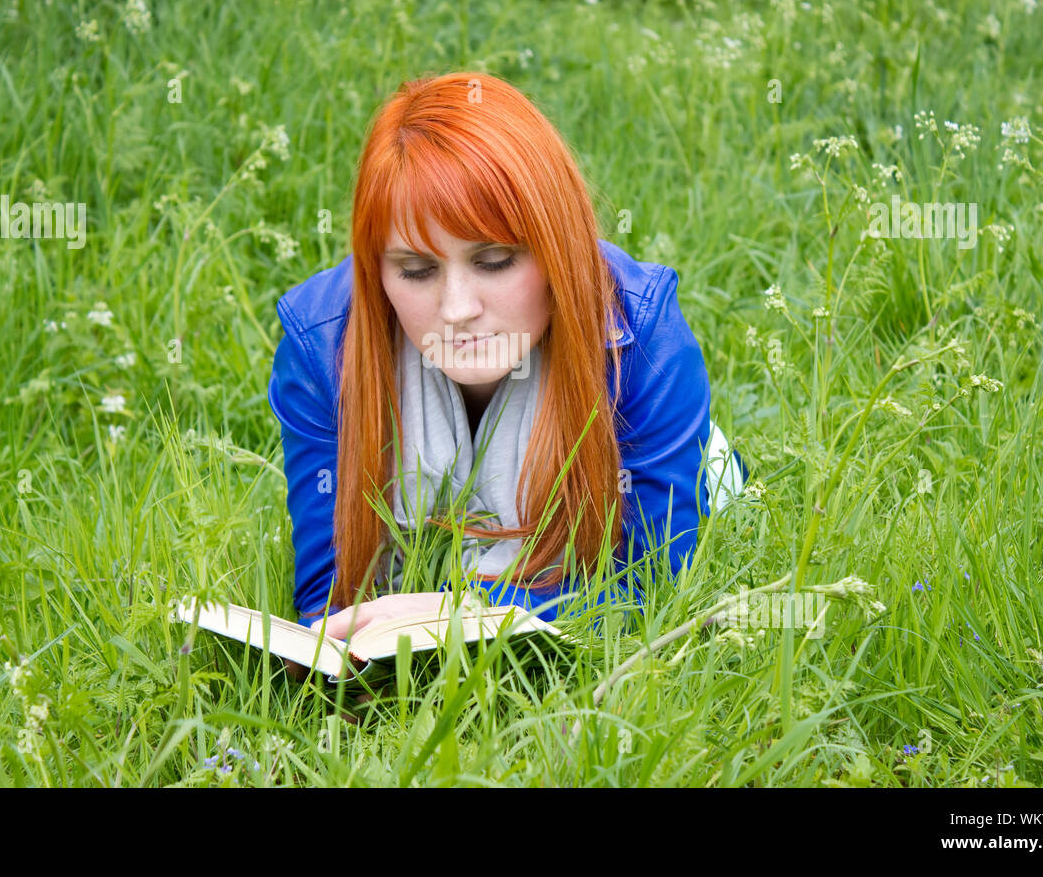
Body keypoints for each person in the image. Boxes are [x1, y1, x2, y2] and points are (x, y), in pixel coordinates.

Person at [267, 71, 745, 650]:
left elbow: (659, 588)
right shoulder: (320, 344)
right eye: (415, 271)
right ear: (377, 271)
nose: (457, 308)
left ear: (555, 243)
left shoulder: (641, 332)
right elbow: (331, 596)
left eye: (494, 261)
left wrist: (464, 613)